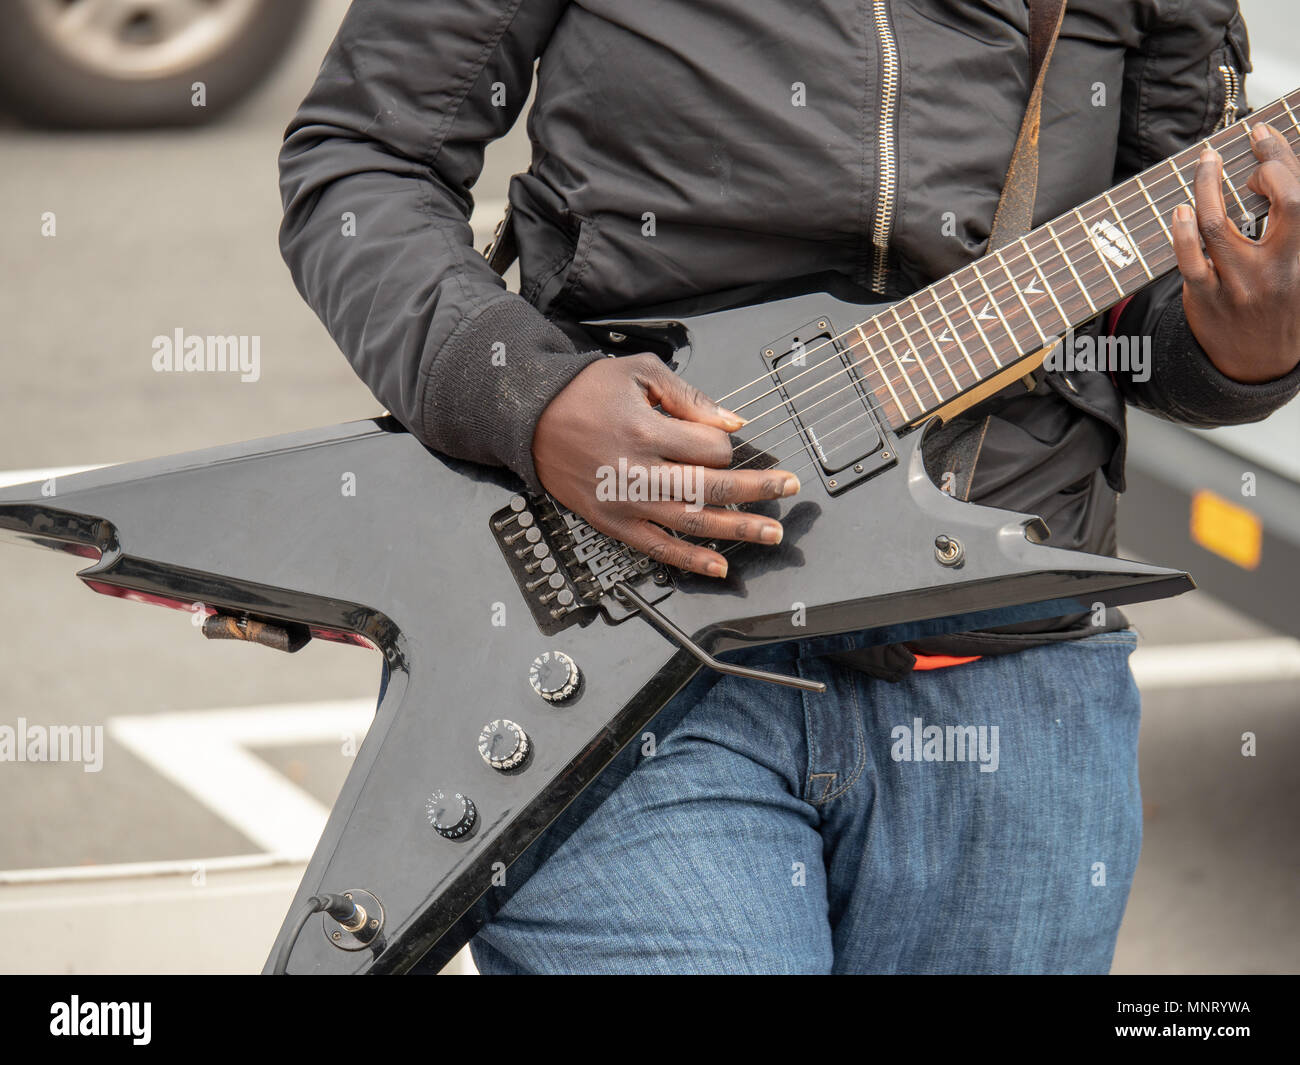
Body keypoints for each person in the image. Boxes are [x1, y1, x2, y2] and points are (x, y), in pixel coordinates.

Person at [277, 0, 1300, 973]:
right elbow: (363, 160)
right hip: (631, 653)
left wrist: (1242, 349)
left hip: (1008, 665)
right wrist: (531, 399)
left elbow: (1144, 307)